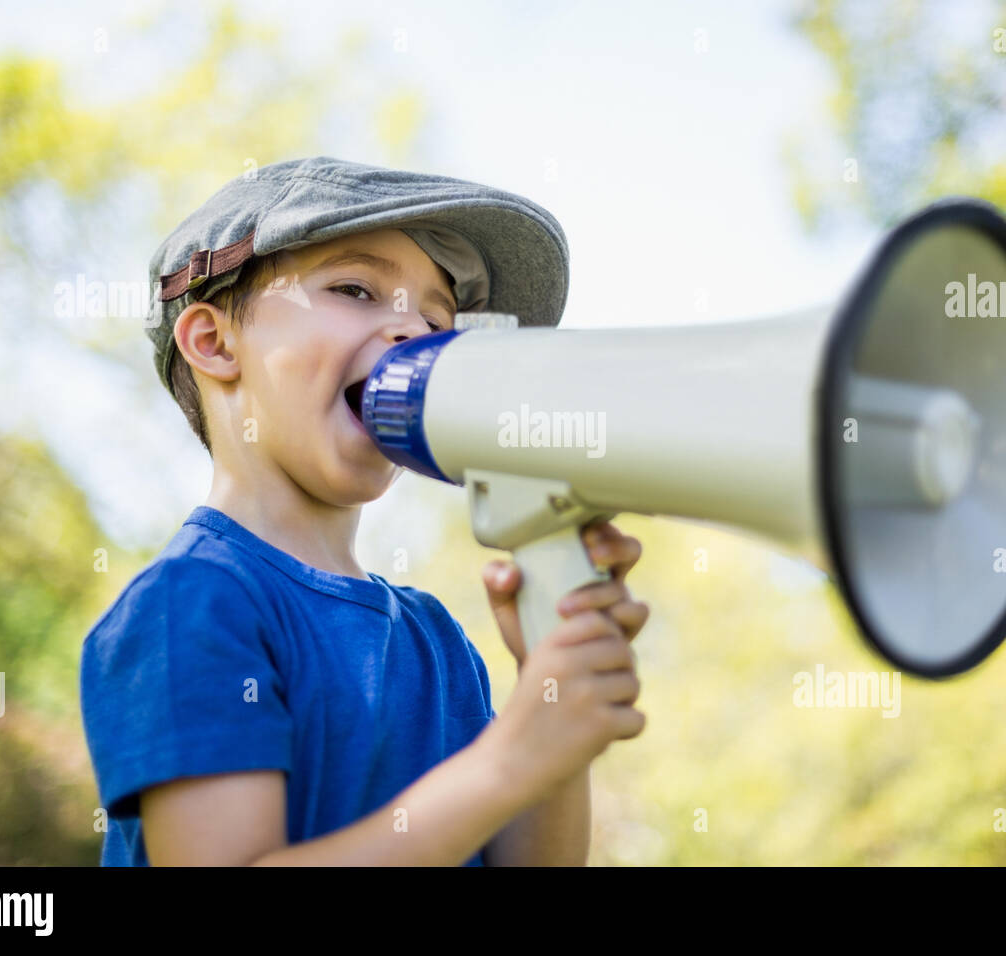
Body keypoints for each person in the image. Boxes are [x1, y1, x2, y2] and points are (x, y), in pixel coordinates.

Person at [79, 157, 650, 866]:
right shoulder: (190, 603)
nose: (414, 331)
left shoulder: (437, 640)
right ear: (214, 342)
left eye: (439, 318)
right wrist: (510, 760)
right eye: (356, 289)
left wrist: (554, 707)